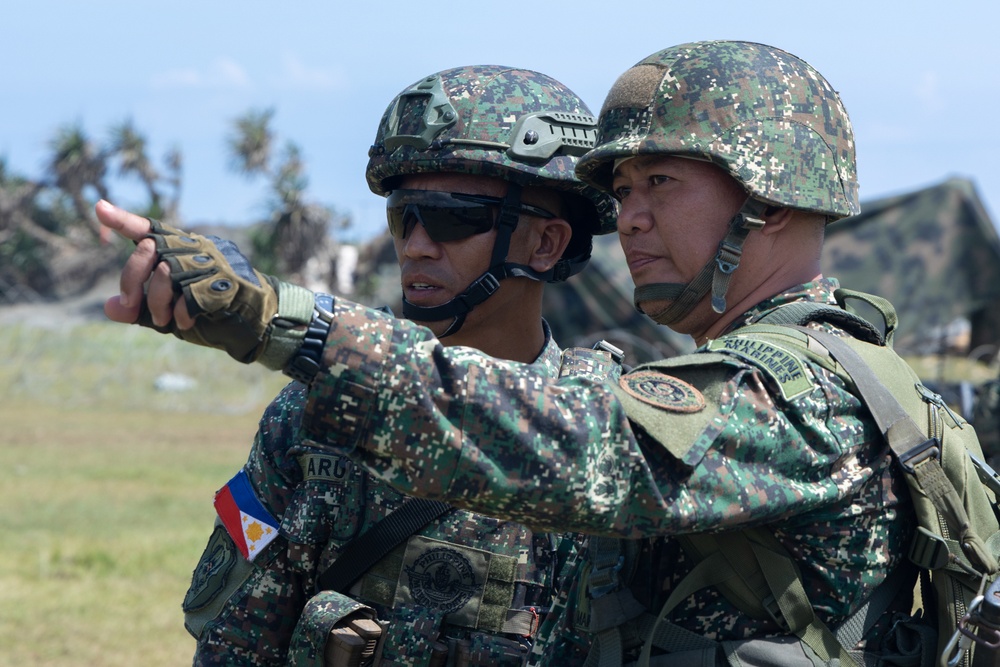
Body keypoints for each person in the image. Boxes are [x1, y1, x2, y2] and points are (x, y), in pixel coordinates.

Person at [100, 41, 985, 666]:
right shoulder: (788, 373)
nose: (631, 218)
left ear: (772, 201)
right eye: (624, 188)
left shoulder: (801, 390)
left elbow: (582, 448)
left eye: (661, 185)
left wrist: (283, 323)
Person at [105, 65, 616, 667]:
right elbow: (234, 641)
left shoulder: (607, 438)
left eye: (454, 217)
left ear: (546, 244)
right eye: (405, 217)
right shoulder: (310, 413)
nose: (417, 246)